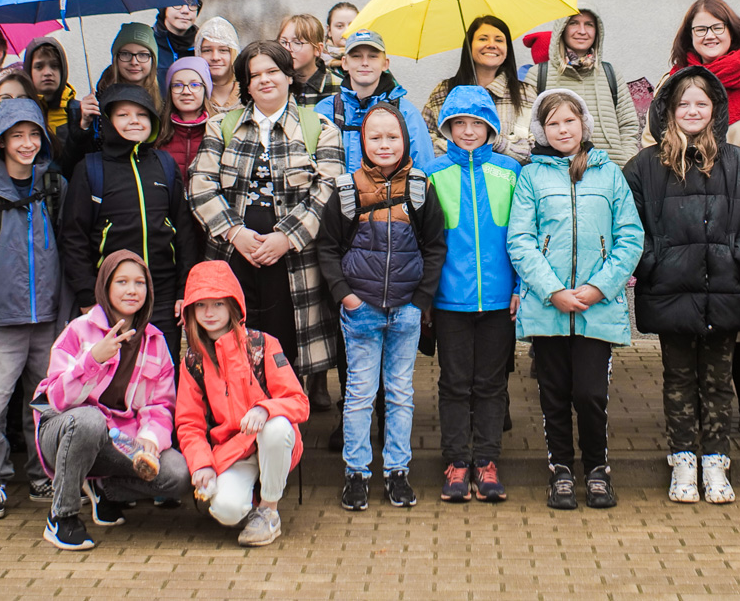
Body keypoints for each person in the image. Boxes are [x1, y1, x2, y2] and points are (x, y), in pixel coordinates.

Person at [625, 66, 740, 507]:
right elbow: (629, 226)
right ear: (668, 111)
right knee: (678, 378)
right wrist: (653, 263)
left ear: (715, 111)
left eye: (701, 104)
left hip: (725, 288)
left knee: (717, 380)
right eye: (683, 104)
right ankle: (683, 457)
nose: (692, 111)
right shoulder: (644, 168)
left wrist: (739, 259)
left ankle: (716, 459)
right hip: (670, 288)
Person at [642, 0, 740, 450]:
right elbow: (649, 143)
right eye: (700, 29)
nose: (709, 36)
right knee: (689, 337)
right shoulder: (673, 83)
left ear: (733, 30)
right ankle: (688, 440)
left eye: (717, 28)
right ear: (689, 36)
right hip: (681, 212)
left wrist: (729, 179)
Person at [188, 40, 344, 412]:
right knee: (228, 345)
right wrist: (236, 233)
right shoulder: (221, 127)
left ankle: (280, 431)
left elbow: (328, 192)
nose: (264, 80)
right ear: (246, 83)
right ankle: (233, 425)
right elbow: (199, 185)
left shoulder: (319, 129)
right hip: (232, 262)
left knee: (280, 352)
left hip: (291, 267)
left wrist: (285, 238)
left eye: (272, 71)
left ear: (288, 76)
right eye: (254, 75)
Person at [508, 88, 644, 511]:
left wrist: (599, 287)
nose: (562, 129)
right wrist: (553, 291)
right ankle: (561, 471)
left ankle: (597, 469)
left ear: (583, 123)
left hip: (596, 307)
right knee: (554, 393)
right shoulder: (531, 176)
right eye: (553, 123)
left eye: (569, 120)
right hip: (550, 306)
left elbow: (630, 236)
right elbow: (520, 239)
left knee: (590, 393)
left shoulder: (608, 174)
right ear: (541, 130)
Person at [314, 101, 447, 511]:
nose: (384, 144)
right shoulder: (346, 189)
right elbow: (328, 248)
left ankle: (397, 472)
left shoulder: (422, 187)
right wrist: (345, 295)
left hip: (406, 310)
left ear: (405, 140)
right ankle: (356, 473)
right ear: (362, 141)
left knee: (401, 394)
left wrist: (421, 300)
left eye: (393, 137)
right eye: (376, 137)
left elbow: (435, 247)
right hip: (361, 310)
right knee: (358, 394)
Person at [34, 252, 192, 551]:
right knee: (90, 420)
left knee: (177, 475)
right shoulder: (79, 330)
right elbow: (55, 397)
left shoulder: (156, 342)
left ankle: (104, 489)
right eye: (122, 282)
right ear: (105, 287)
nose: (132, 290)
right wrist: (92, 360)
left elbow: (160, 407)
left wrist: (149, 439)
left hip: (118, 439)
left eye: (139, 283)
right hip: (63, 429)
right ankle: (62, 516)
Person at [0, 96, 67, 521]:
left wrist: (63, 318)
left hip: (47, 322)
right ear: (1, 141)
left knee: (43, 405)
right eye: (16, 135)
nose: (26, 143)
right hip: (1, 323)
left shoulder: (55, 188)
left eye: (33, 134)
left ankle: (42, 473)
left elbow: (65, 252)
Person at [424, 85, 523, 503]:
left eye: (477, 123)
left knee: (490, 385)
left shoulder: (510, 172)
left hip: (500, 299)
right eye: (459, 123)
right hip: (449, 301)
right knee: (454, 383)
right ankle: (456, 462)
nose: (468, 131)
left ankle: (486, 460)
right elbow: (423, 242)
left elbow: (523, 236)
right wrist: (426, 296)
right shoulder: (431, 173)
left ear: (490, 126)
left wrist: (521, 286)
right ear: (446, 127)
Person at [174, 261, 311, 548]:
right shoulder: (192, 361)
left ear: (233, 306)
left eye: (218, 304)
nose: (209, 313)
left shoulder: (262, 345)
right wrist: (202, 465)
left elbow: (299, 403)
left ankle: (269, 510)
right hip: (233, 453)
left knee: (275, 427)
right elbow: (189, 424)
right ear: (190, 311)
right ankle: (250, 497)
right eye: (200, 306)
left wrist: (265, 409)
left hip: (275, 443)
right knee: (225, 510)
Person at [57, 84, 199, 362]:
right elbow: (73, 238)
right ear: (107, 121)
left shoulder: (164, 163)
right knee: (114, 374)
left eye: (142, 114)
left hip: (163, 292)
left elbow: (183, 230)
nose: (134, 120)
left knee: (163, 372)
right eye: (123, 114)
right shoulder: (90, 169)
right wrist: (88, 297)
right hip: (111, 295)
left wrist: (184, 289)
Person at [523, 8, 640, 160]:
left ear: (597, 31)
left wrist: (627, 161)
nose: (582, 31)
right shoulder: (538, 74)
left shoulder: (610, 73)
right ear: (562, 29)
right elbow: (527, 128)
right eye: (574, 23)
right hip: (557, 174)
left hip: (611, 170)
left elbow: (628, 125)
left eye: (589, 24)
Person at [317, 27, 435, 173]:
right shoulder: (326, 110)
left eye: (373, 56)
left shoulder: (405, 113)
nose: (365, 63)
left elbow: (423, 171)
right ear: (344, 63)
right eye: (356, 56)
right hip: (337, 195)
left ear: (385, 63)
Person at [424, 15, 534, 162]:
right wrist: (461, 148)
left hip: (511, 182)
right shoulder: (444, 92)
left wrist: (491, 140)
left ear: (507, 49)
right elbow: (424, 140)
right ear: (469, 45)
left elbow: (535, 148)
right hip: (454, 181)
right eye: (483, 39)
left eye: (499, 40)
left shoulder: (526, 94)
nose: (491, 44)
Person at [74, 23, 166, 153]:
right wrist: (84, 125)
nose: (134, 61)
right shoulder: (97, 104)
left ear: (153, 60)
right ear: (116, 59)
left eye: (143, 55)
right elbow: (76, 159)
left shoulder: (163, 103)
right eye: (126, 54)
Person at [23, 35, 79, 167]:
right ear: (28, 71)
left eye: (54, 66)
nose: (47, 72)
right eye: (39, 66)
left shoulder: (77, 111)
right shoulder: (22, 112)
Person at [160, 56, 214, 177]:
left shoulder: (218, 130)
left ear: (205, 89)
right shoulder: (159, 131)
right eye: (177, 85)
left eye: (194, 85)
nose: (186, 91)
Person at [152, 0, 204, 99]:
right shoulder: (147, 45)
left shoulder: (203, 47)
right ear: (164, 7)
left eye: (192, 3)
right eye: (177, 3)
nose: (185, 10)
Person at [279, 13, 343, 106]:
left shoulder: (339, 86)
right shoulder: (275, 83)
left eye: (297, 43)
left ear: (317, 49)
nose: (288, 48)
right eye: (283, 42)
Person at [198, 17, 243, 119]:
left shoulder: (249, 93)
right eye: (207, 50)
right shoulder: (192, 96)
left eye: (223, 50)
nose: (215, 57)